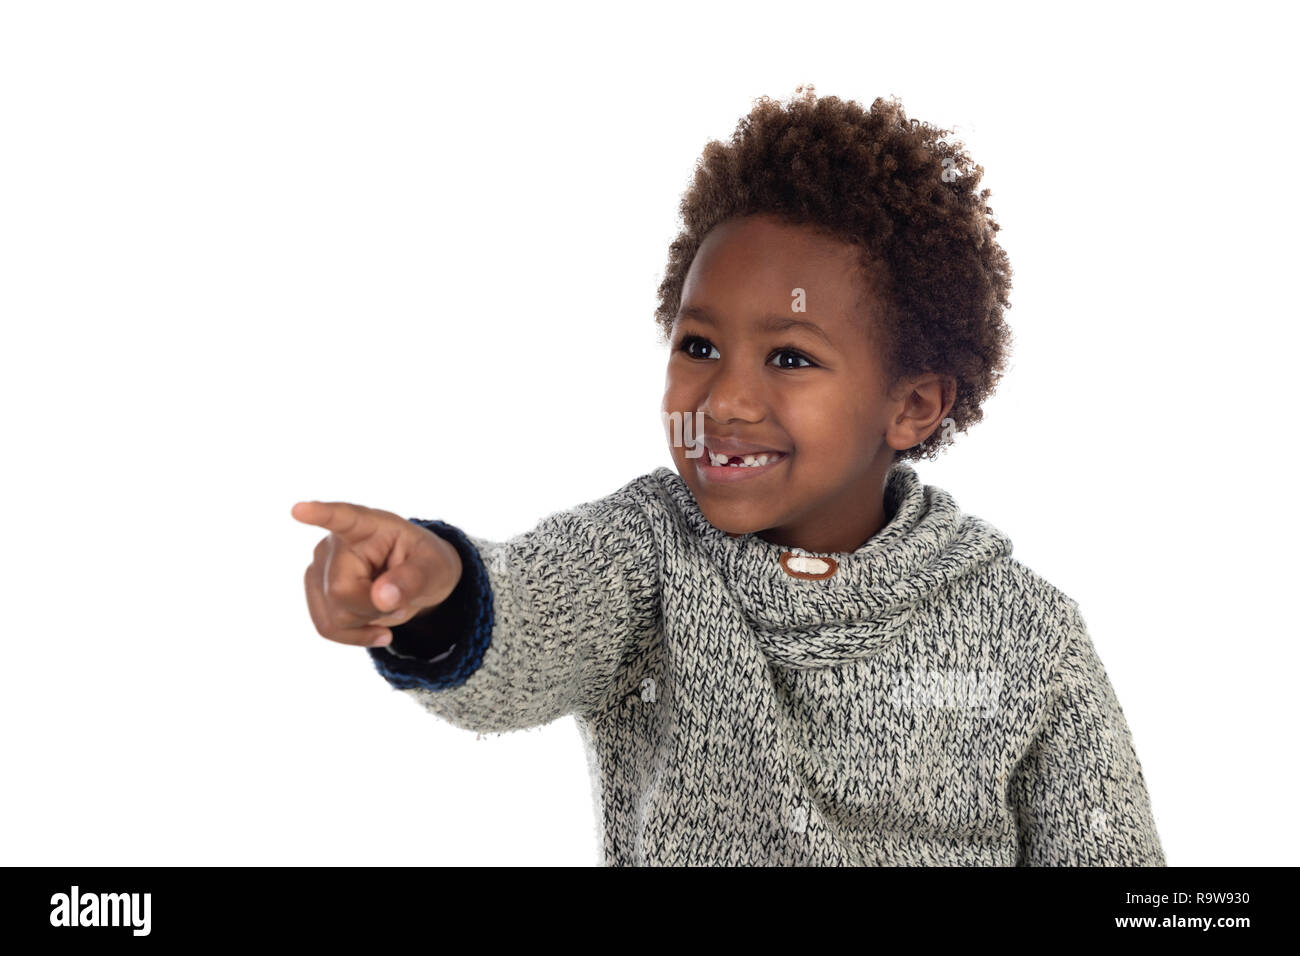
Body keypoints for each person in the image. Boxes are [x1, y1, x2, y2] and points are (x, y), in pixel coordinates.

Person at [293, 86, 1165, 866]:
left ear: (912, 406)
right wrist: (439, 592)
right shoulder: (646, 556)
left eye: (789, 357)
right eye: (699, 346)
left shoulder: (1026, 634)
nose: (728, 398)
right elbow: (532, 619)